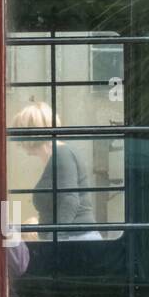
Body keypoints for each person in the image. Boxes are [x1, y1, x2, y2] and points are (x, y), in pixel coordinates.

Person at [10, 102, 101, 242]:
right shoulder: (57, 156)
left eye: (20, 133)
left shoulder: (61, 154)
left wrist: (57, 239)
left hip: (74, 241)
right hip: (73, 239)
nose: (18, 141)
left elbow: (69, 199)